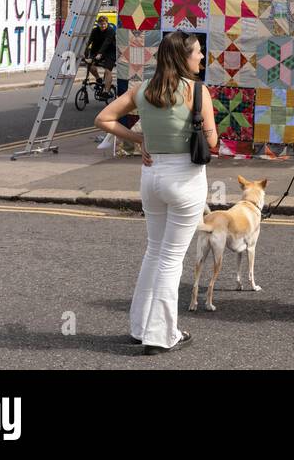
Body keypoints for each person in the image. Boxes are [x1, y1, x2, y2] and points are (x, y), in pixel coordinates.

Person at [95, 31, 215, 353]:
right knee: (171, 260)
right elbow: (212, 143)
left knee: (154, 251)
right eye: (198, 53)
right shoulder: (198, 93)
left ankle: (139, 326)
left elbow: (103, 118)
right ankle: (161, 335)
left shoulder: (142, 89)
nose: (201, 58)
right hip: (185, 180)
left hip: (151, 177)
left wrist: (139, 140)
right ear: (183, 57)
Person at [84, 16, 117, 90]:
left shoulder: (110, 31)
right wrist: (84, 51)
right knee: (89, 64)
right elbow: (89, 41)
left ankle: (106, 92)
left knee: (108, 70)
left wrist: (100, 53)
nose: (103, 26)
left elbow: (106, 43)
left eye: (104, 24)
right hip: (96, 51)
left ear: (107, 23)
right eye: (101, 24)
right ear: (98, 24)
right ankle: (98, 78)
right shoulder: (95, 31)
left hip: (110, 52)